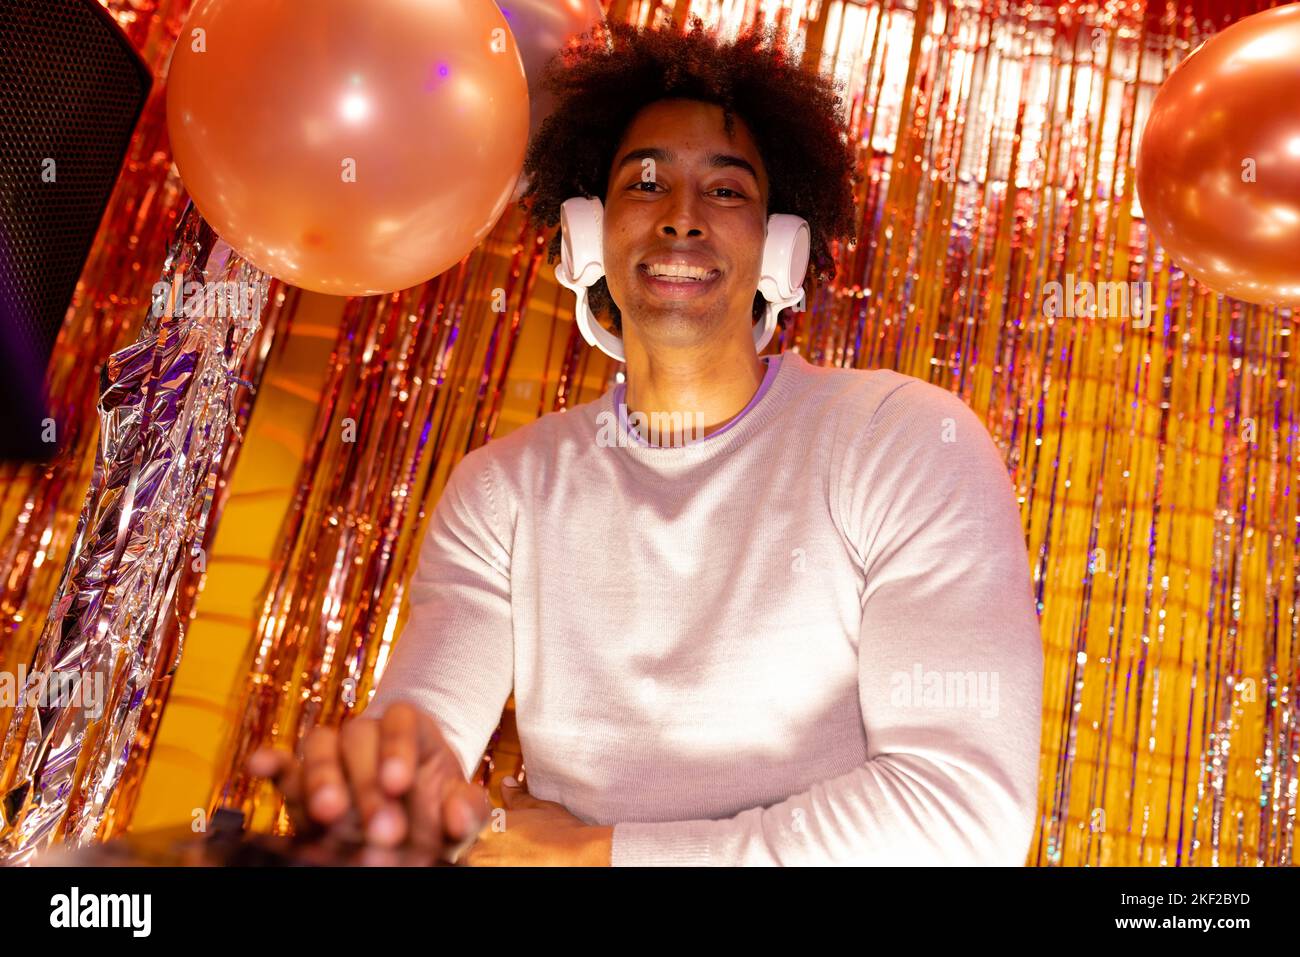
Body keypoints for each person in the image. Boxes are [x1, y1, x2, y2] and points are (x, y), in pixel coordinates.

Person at [249, 17, 1043, 867]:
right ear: (587, 233)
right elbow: (421, 748)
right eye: (646, 184)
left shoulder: (904, 440)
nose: (681, 219)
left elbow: (964, 818)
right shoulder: (503, 493)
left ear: (784, 246)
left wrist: (598, 854)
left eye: (727, 191)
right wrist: (385, 799)